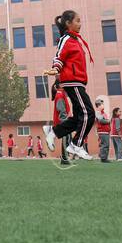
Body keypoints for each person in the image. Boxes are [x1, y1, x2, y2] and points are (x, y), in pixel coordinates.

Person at [43, 9, 96, 161]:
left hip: (78, 82)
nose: (80, 24)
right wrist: (55, 68)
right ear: (68, 23)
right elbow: (59, 56)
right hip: (72, 82)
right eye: (77, 21)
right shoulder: (66, 39)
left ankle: (52, 132)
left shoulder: (75, 40)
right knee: (89, 113)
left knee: (80, 116)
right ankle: (76, 145)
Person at [49, 80, 72, 164]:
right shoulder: (59, 94)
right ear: (60, 85)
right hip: (63, 121)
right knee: (66, 139)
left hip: (64, 120)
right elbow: (61, 110)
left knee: (67, 139)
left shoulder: (61, 93)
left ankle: (64, 158)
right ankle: (64, 158)